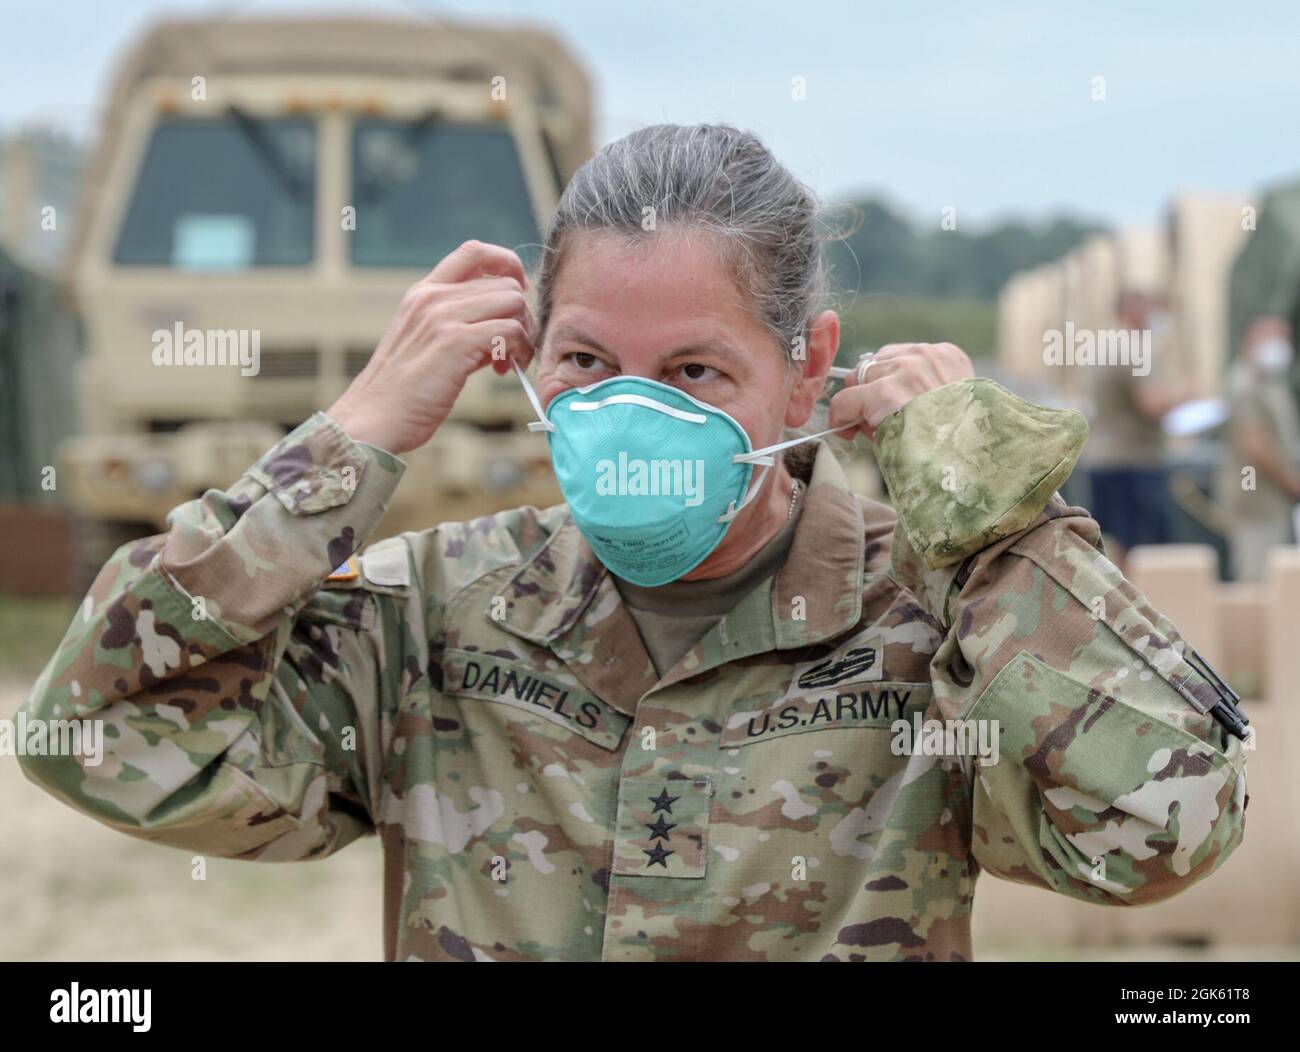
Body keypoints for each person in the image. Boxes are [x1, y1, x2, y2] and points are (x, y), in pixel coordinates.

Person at [19, 125, 1248, 962]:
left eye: (696, 371)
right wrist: (347, 442)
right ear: (530, 356)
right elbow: (100, 734)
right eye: (589, 362)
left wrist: (992, 526)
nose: (632, 413)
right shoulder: (436, 609)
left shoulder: (934, 619)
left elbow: (1162, 829)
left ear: (806, 369)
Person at [1085, 291, 1188, 564]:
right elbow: (1150, 403)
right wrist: (1185, 395)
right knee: (1144, 553)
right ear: (1133, 310)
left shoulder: (1103, 343)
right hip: (1133, 462)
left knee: (1113, 546)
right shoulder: (1132, 348)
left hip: (1105, 457)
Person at [1219, 315, 1300, 581]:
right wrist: (1290, 481)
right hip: (1254, 498)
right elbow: (1256, 445)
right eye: (1276, 337)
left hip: (1272, 500)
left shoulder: (1269, 381)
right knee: (1256, 578)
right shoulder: (1246, 383)